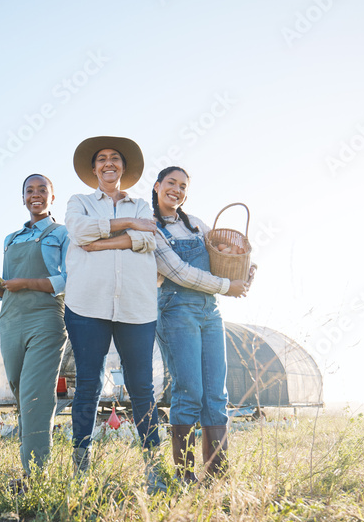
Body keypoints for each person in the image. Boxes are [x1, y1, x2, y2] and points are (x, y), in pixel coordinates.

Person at [63, 135, 168, 493]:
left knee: (142, 387)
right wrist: (128, 228)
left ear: (124, 167)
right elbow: (77, 232)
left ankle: (153, 470)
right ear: (93, 169)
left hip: (136, 306)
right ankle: (81, 468)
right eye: (102, 159)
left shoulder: (141, 205)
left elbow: (149, 239)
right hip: (87, 305)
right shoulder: (79, 202)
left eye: (115, 159)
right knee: (88, 385)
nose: (109, 163)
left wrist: (104, 241)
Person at [151, 166, 253, 483]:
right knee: (190, 390)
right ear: (157, 186)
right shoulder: (150, 228)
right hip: (176, 307)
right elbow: (178, 272)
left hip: (210, 310)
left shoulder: (197, 225)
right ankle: (185, 475)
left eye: (183, 186)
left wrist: (243, 271)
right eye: (171, 183)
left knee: (216, 394)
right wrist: (226, 285)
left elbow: (221, 255)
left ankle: (216, 474)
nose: (177, 190)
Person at [0, 174, 68, 489]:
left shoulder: (62, 234)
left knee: (36, 394)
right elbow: (6, 288)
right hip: (10, 317)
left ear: (53, 197)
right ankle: (29, 465)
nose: (35, 195)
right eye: (30, 190)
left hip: (45, 317)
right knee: (20, 392)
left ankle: (36, 476)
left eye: (43, 190)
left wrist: (28, 283)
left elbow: (71, 278)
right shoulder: (10, 239)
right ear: (22, 197)